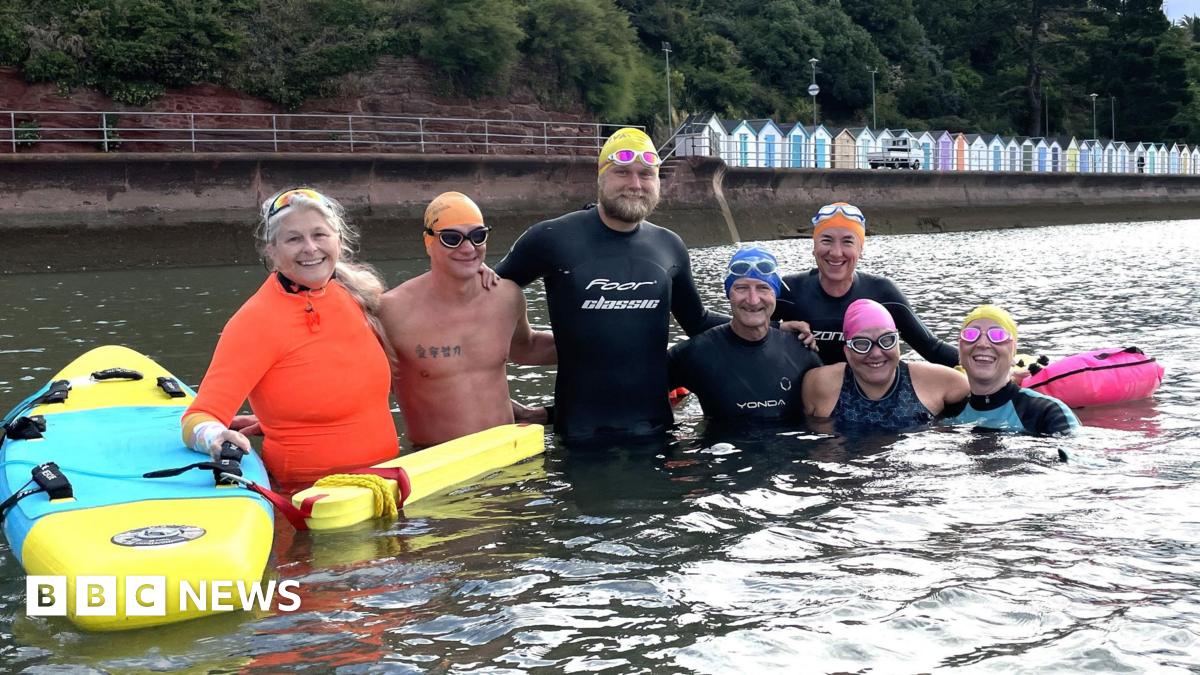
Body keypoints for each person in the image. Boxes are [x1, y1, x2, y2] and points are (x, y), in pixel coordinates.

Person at [495, 127, 725, 445]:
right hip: (579, 435)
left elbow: (698, 322)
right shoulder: (551, 238)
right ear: (601, 176)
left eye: (646, 174)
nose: (635, 184)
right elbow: (486, 298)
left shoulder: (669, 245)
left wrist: (777, 325)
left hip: (656, 432)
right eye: (623, 173)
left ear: (658, 182)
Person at [182, 188, 399, 485]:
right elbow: (197, 418)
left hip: (388, 487)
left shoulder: (352, 294)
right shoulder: (255, 320)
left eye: (319, 235)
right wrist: (218, 437)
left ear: (339, 240)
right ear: (272, 251)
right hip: (307, 505)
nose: (310, 248)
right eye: (294, 238)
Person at [379, 191, 556, 447]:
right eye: (451, 239)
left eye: (477, 236)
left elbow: (526, 348)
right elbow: (364, 386)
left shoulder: (506, 297)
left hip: (511, 459)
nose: (468, 248)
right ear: (429, 242)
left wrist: (605, 343)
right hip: (440, 466)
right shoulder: (391, 311)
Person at [775, 202, 958, 367]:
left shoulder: (882, 293)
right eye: (826, 240)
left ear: (860, 250)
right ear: (814, 247)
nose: (836, 252)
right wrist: (778, 328)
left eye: (848, 242)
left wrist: (981, 363)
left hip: (866, 398)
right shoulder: (790, 290)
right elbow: (749, 334)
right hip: (811, 397)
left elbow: (932, 349)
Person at [668, 246, 822, 422]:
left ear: (775, 294)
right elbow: (642, 396)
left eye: (763, 288)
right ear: (728, 294)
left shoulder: (801, 351)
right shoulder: (694, 353)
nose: (753, 299)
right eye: (741, 288)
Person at [802, 299, 969, 431]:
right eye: (862, 344)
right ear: (847, 352)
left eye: (886, 341)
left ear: (897, 344)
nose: (876, 353)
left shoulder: (943, 381)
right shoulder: (819, 384)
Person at [941, 305, 1080, 434]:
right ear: (960, 352)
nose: (982, 343)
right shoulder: (948, 412)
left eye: (997, 336)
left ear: (1013, 353)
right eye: (971, 335)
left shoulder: (1047, 412)